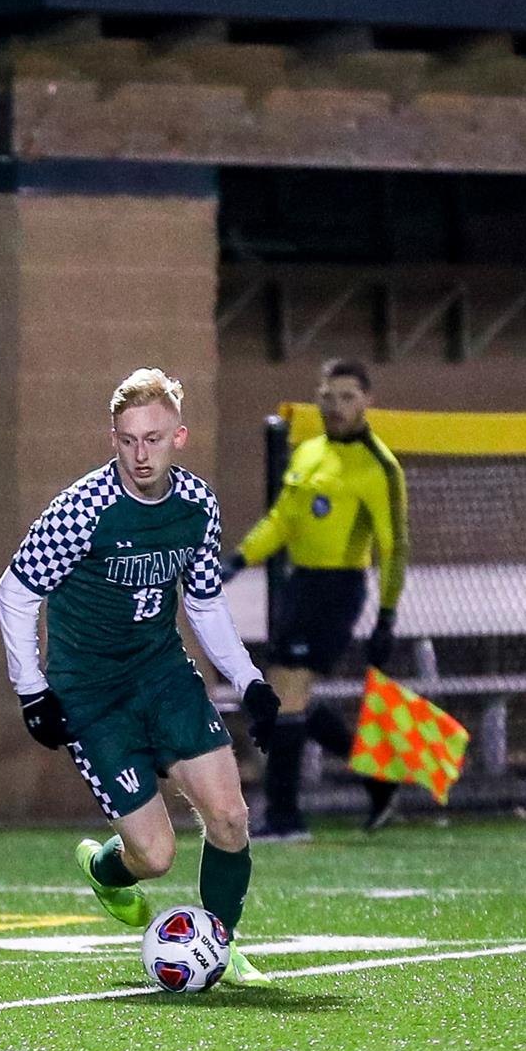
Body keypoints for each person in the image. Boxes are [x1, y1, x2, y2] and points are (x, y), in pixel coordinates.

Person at [0, 368, 283, 987]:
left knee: (230, 816)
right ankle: (105, 869)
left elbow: (203, 603)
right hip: (91, 696)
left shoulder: (196, 506)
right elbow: (14, 593)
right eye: (127, 440)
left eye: (152, 439)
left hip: (162, 676)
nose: (140, 454)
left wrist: (250, 681)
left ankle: (220, 943)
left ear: (179, 436)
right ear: (114, 438)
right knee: (153, 856)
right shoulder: (82, 510)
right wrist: (33, 691)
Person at [223, 358, 409, 839]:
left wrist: (386, 615)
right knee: (285, 695)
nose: (336, 406)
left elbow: (393, 547)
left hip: (338, 589)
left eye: (347, 396)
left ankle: (285, 817)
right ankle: (377, 777)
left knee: (286, 692)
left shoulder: (379, 467)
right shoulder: (307, 452)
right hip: (299, 585)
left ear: (367, 401)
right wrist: (239, 560)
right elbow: (282, 521)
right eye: (328, 396)